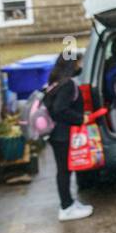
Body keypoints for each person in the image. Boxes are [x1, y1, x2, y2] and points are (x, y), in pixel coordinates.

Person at [43, 54, 94, 222]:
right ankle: (66, 208)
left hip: (57, 134)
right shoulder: (67, 85)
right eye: (78, 62)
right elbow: (59, 109)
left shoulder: (55, 82)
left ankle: (69, 203)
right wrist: (81, 119)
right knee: (64, 171)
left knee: (65, 169)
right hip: (62, 134)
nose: (81, 65)